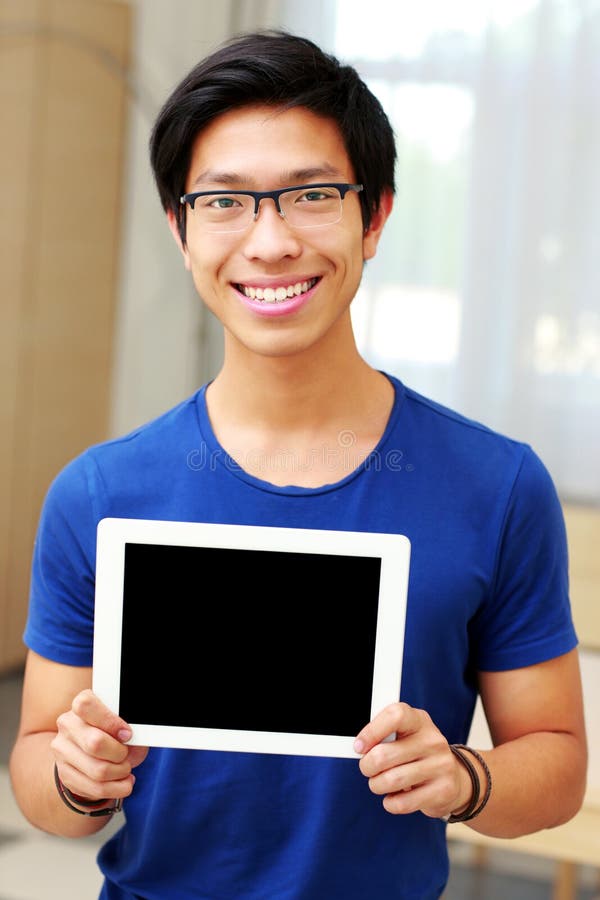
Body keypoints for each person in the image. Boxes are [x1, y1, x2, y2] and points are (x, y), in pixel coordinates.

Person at [10, 28, 587, 900]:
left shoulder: (497, 486)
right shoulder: (99, 492)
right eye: (225, 202)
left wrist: (466, 777)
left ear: (377, 213)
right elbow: (40, 775)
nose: (270, 242)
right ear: (180, 228)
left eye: (310, 195)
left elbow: (556, 764)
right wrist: (76, 775)